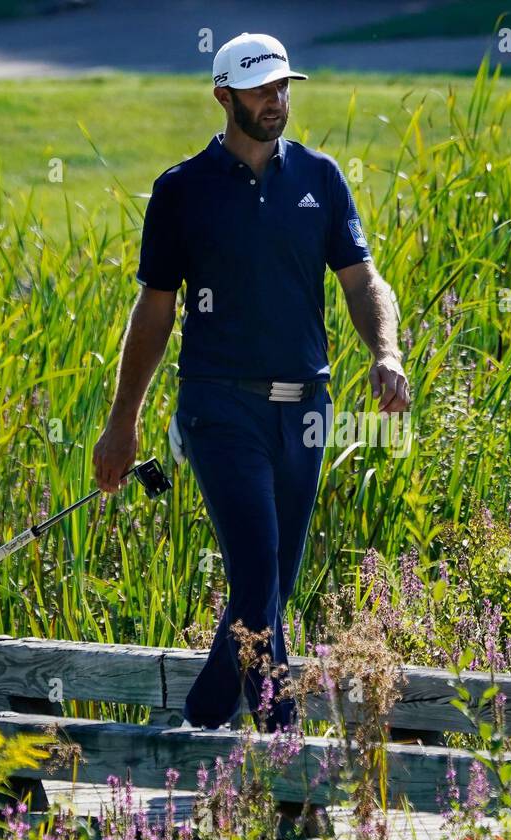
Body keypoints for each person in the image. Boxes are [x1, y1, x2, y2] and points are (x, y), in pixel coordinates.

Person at [92, 32, 411, 732]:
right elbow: (154, 308)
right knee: (260, 580)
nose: (278, 100)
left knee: (270, 592)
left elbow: (362, 281)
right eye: (262, 89)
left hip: (306, 411)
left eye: (283, 86)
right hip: (220, 406)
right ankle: (197, 734)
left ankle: (278, 751)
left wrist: (384, 352)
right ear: (224, 95)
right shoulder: (182, 192)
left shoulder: (320, 178)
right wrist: (124, 420)